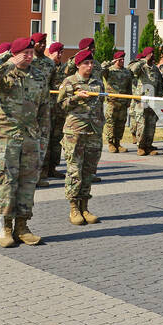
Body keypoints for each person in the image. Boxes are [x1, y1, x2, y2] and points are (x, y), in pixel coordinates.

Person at [0, 37, 49, 248]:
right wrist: (9, 63)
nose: (29, 57)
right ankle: (5, 227)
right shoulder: (4, 71)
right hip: (5, 136)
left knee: (28, 182)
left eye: (30, 53)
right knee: (5, 182)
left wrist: (43, 138)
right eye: (24, 53)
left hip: (30, 136)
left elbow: (44, 108)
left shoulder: (38, 76)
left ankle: (22, 226)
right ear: (14, 54)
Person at [57, 49, 104, 227]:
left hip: (93, 132)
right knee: (74, 170)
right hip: (75, 133)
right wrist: (76, 98)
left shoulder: (98, 82)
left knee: (89, 171)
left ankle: (85, 206)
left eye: (91, 63)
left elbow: (100, 106)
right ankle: (73, 208)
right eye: (86, 63)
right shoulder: (69, 82)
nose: (90, 66)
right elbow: (61, 105)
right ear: (78, 65)